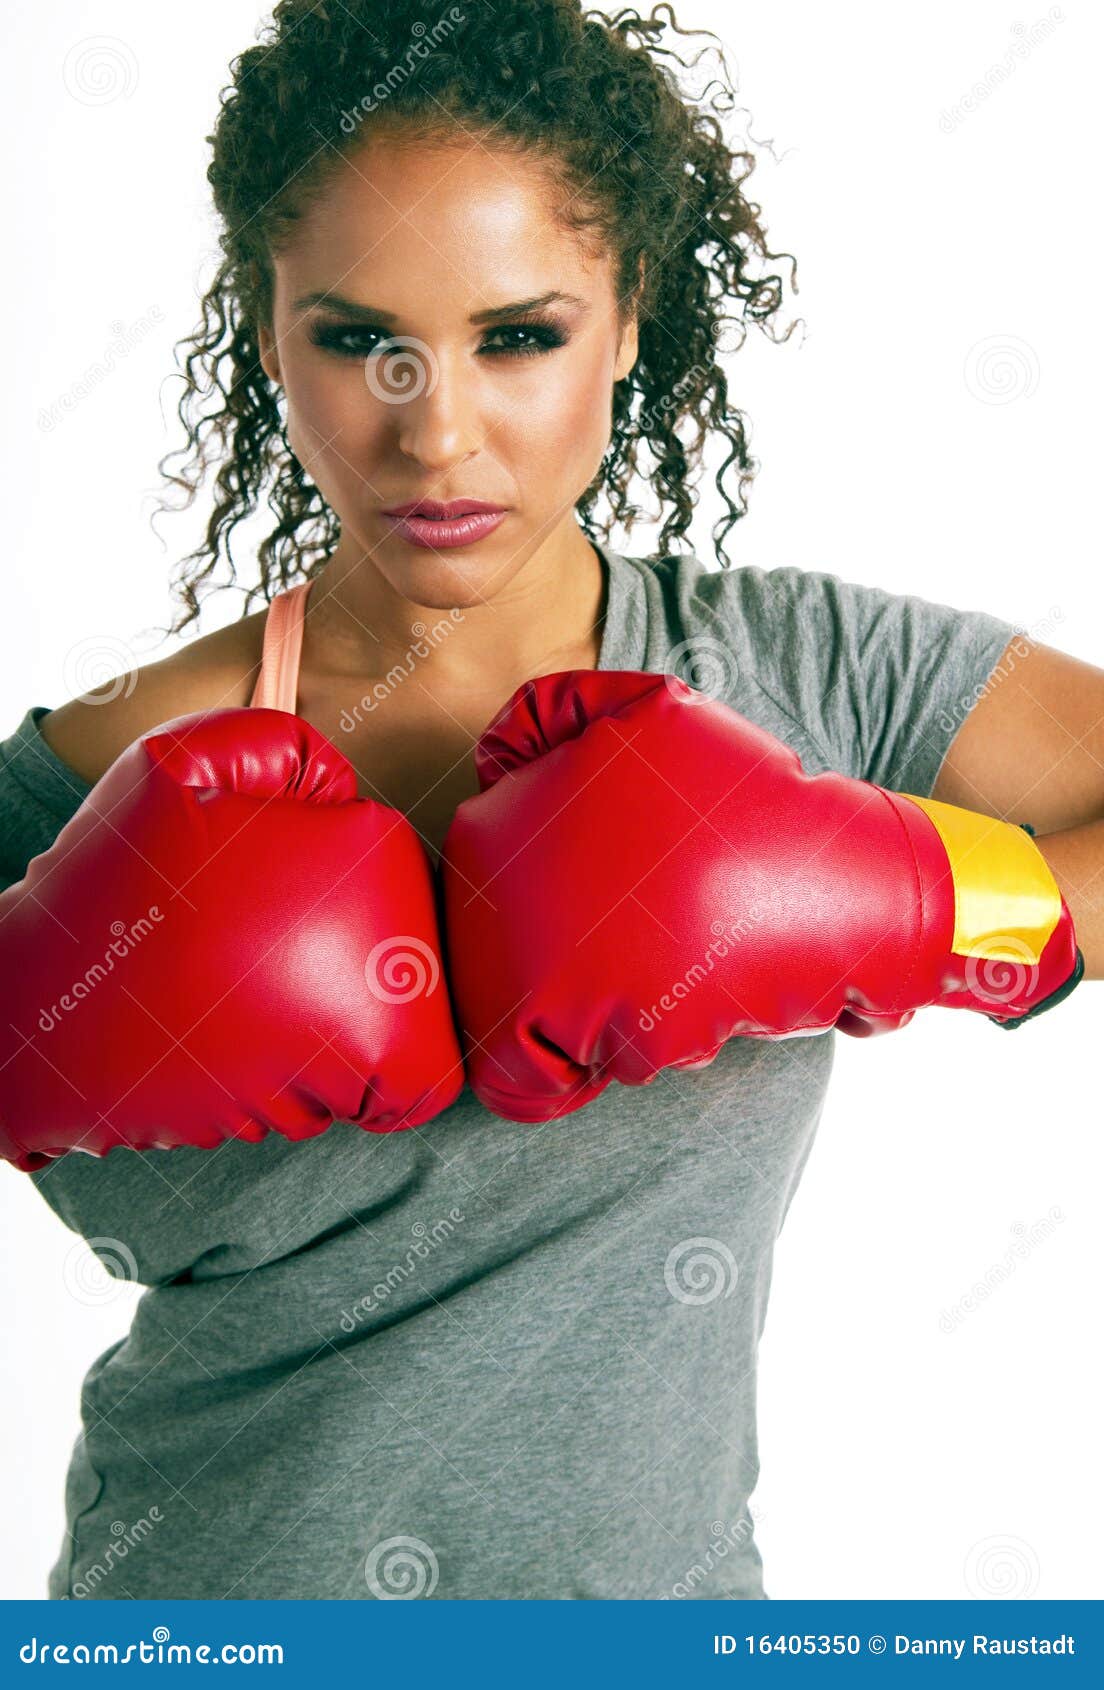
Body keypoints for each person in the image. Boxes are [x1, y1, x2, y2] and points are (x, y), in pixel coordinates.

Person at [1, 0, 1099, 1601]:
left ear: (629, 316)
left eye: (520, 335)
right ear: (266, 328)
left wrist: (924, 907)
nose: (436, 432)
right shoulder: (125, 754)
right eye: (354, 336)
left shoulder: (800, 671)